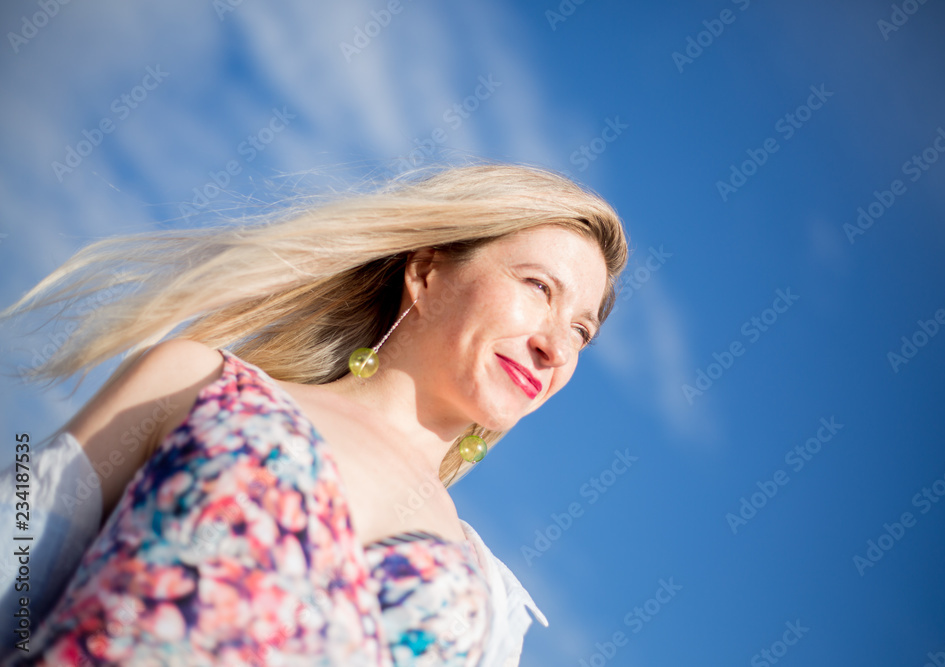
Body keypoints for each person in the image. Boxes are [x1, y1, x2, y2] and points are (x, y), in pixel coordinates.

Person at [0, 161, 629, 665]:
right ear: (428, 271)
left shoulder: (496, 611)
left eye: (581, 331)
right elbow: (14, 564)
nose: (556, 346)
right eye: (538, 288)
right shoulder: (195, 382)